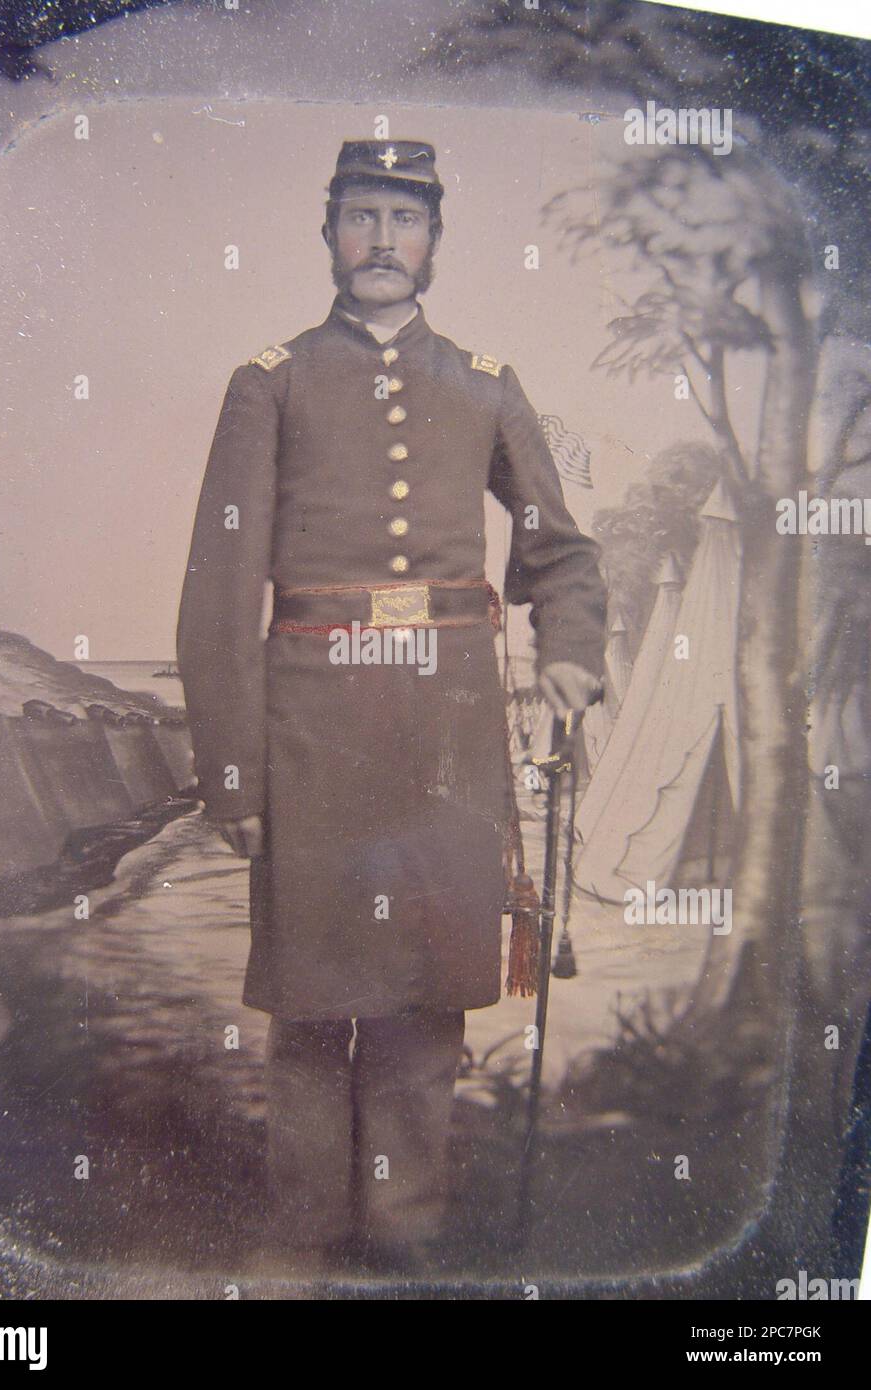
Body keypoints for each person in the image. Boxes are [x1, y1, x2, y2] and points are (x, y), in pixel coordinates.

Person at [177, 139, 606, 1277]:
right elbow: (221, 592)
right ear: (328, 233)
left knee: (426, 994)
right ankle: (307, 1230)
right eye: (360, 216)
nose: (381, 240)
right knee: (314, 1002)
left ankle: (407, 1228)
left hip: (447, 736)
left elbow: (560, 549)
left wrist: (569, 658)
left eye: (403, 220)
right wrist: (232, 770)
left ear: (432, 242)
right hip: (310, 736)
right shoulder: (269, 380)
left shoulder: (487, 381)